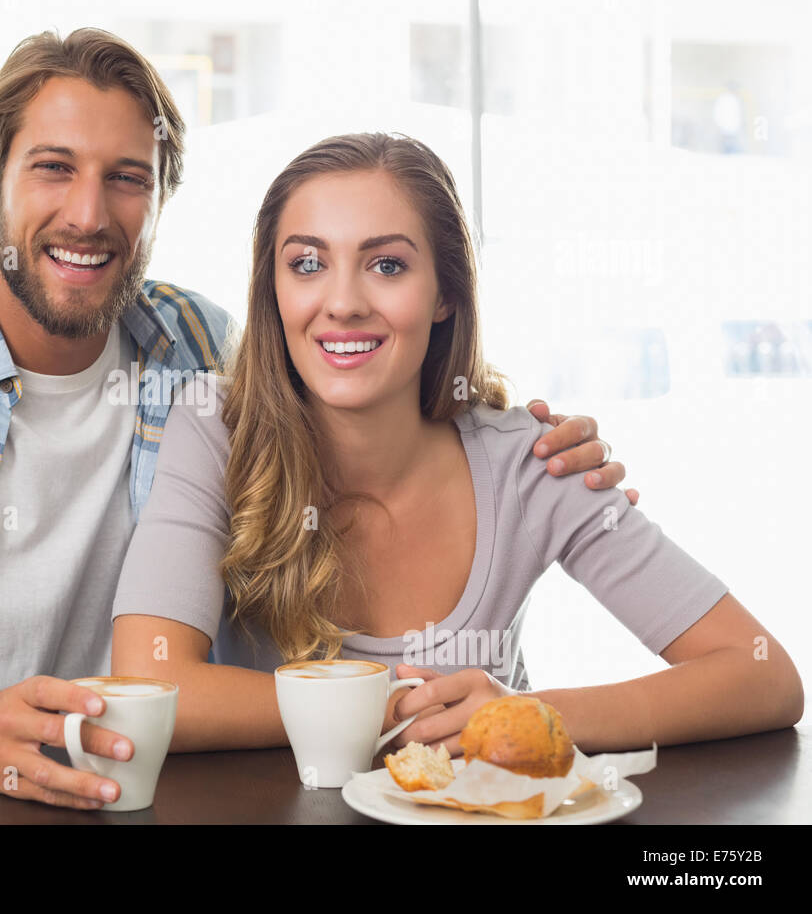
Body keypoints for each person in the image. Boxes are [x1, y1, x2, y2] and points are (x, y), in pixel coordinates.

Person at [0, 31, 626, 824]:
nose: (89, 215)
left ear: (161, 197)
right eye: (53, 168)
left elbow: (377, 391)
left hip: (160, 803)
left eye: (127, 179)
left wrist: (509, 431)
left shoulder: (207, 353)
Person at [111, 131, 803, 757]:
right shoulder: (214, 431)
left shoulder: (533, 461)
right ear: (273, 291)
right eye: (307, 264)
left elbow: (763, 675)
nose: (344, 301)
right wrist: (394, 709)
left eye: (386, 266)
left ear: (445, 293)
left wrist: (534, 715)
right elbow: (148, 684)